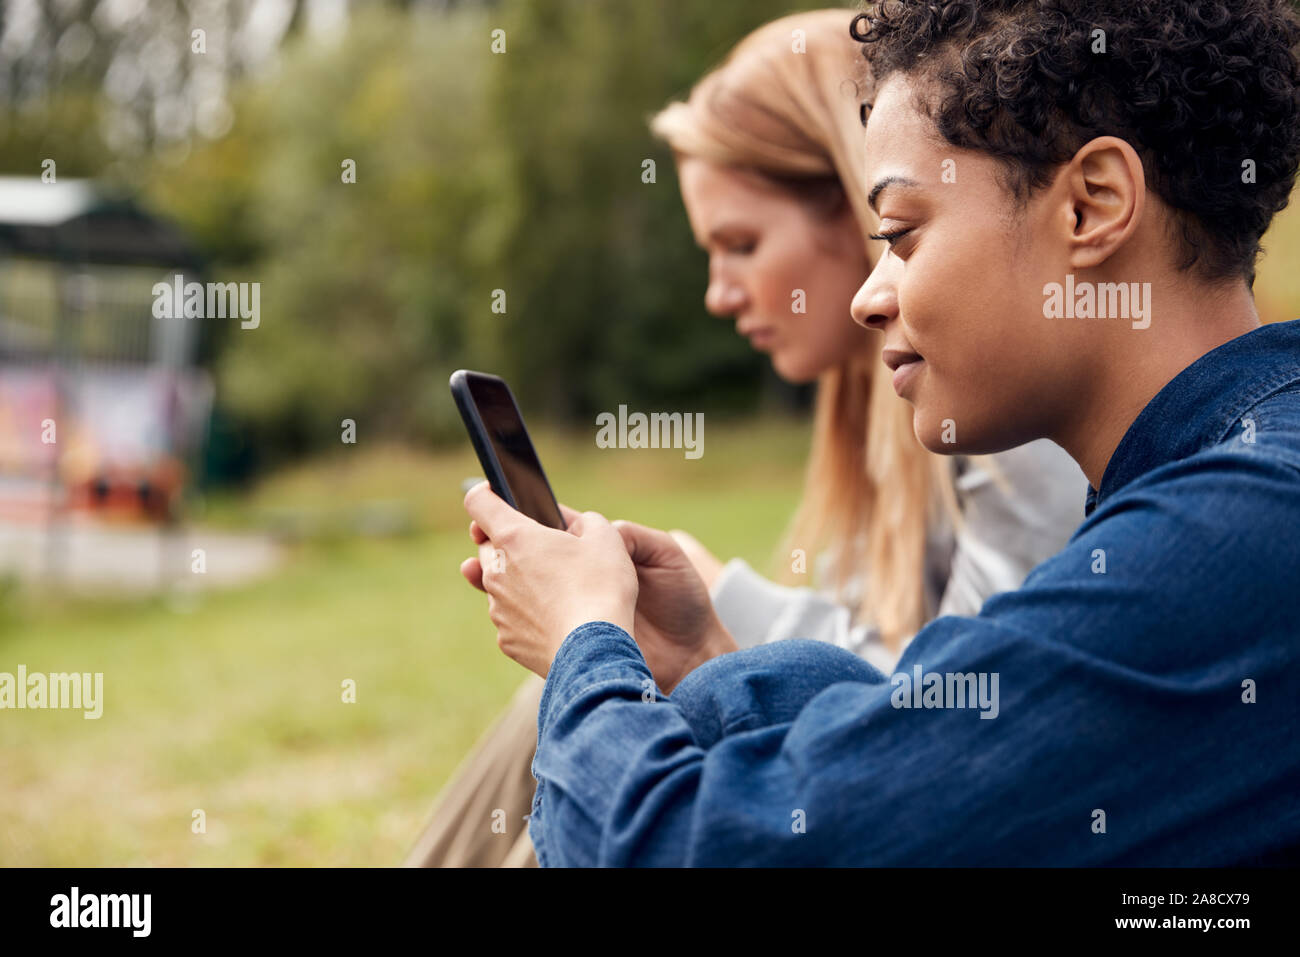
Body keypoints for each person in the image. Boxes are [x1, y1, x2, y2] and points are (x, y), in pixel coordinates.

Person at [460, 0, 1300, 865]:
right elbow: (953, 767)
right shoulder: (1233, 489)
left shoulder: (1220, 540)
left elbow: (686, 847)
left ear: (1090, 206)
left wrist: (581, 641)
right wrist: (708, 657)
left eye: (900, 234)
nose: (869, 296)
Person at [406, 9, 1084, 867]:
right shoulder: (868, 421)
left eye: (741, 244)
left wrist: (722, 601)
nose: (718, 295)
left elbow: (947, 703)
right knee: (567, 700)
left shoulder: (1010, 394)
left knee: (600, 725)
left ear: (854, 212)